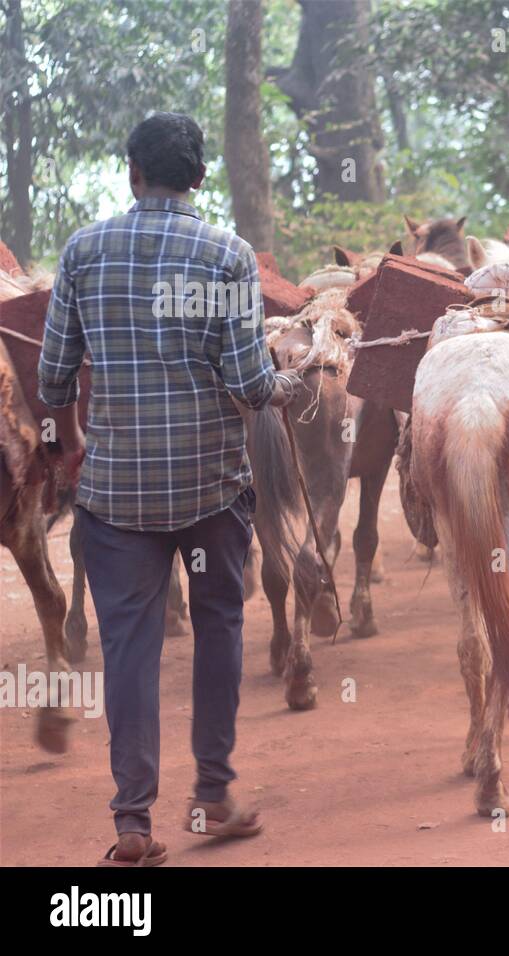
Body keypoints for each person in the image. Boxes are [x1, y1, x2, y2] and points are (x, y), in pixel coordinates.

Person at [38, 112, 301, 866]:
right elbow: (251, 382)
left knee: (129, 648)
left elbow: (53, 379)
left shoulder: (84, 252)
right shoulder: (227, 255)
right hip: (211, 489)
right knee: (219, 625)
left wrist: (78, 427)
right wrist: (293, 381)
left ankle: (132, 824)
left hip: (115, 496)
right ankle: (212, 796)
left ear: (132, 173)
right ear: (199, 180)